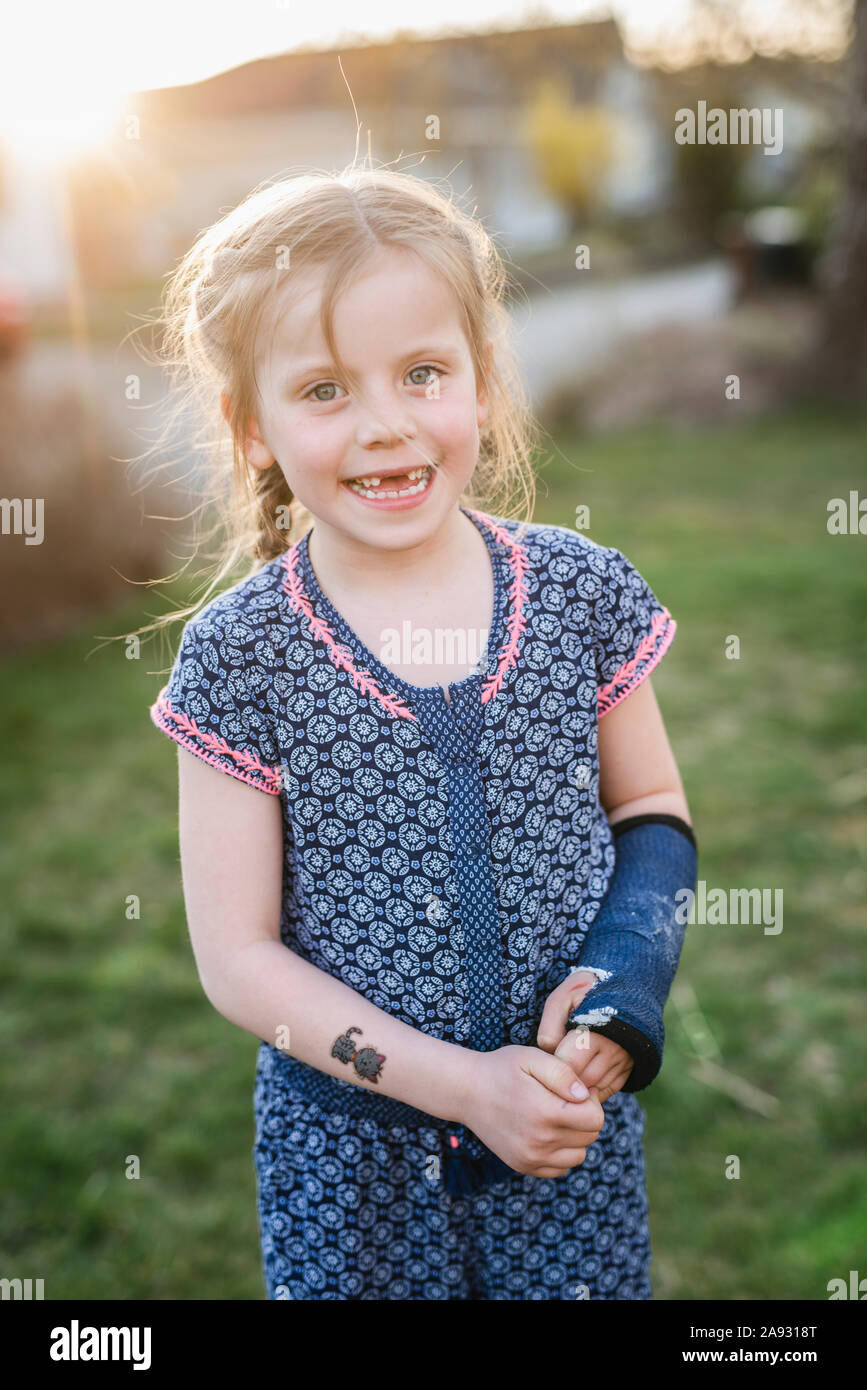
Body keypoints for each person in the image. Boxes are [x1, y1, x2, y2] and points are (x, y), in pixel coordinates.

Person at [145, 165, 697, 1300]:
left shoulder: (581, 595)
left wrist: (625, 988)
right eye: (324, 390)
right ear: (252, 428)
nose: (386, 425)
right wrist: (459, 1086)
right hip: (352, 1168)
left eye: (423, 373)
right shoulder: (242, 656)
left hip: (562, 1128)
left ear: (483, 385)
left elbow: (652, 815)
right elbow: (237, 960)